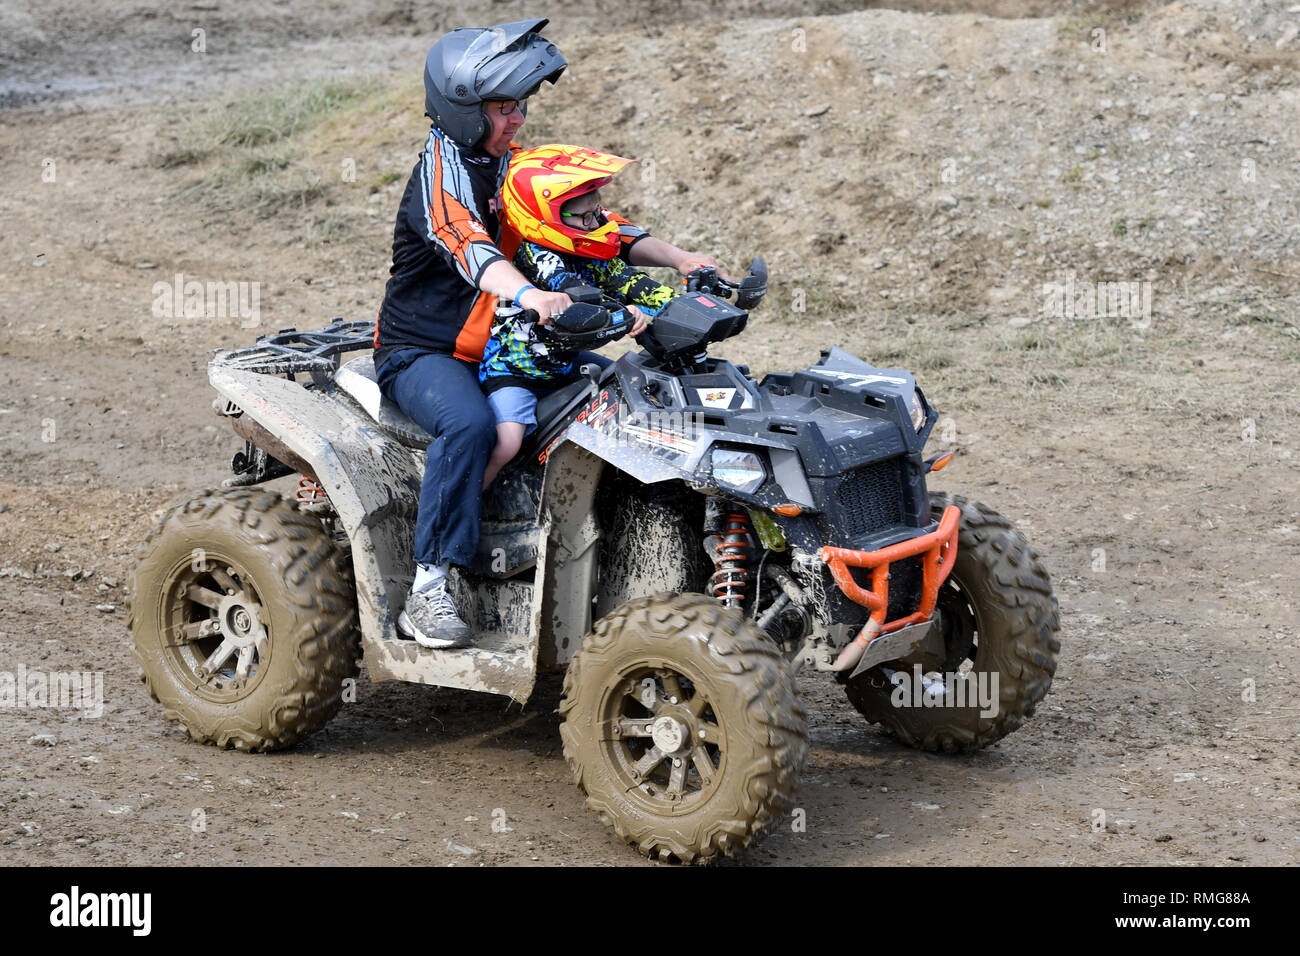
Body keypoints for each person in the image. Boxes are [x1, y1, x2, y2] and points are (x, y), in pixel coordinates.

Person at [374, 20, 723, 651]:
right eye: (503, 108)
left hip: (515, 338)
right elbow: (469, 246)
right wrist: (531, 293)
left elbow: (593, 222)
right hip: (427, 350)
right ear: (462, 110)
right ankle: (429, 582)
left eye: (521, 104)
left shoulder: (509, 162)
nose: (518, 119)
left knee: (626, 388)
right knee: (472, 428)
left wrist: (680, 259)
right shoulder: (441, 180)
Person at [480, 145, 679, 488]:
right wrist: (622, 314)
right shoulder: (536, 256)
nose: (595, 222)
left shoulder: (588, 246)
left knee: (631, 390)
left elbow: (628, 281)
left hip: (564, 361)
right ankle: (475, 502)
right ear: (548, 217)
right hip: (514, 371)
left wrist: (684, 305)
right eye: (584, 217)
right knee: (507, 441)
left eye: (597, 212)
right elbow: (574, 297)